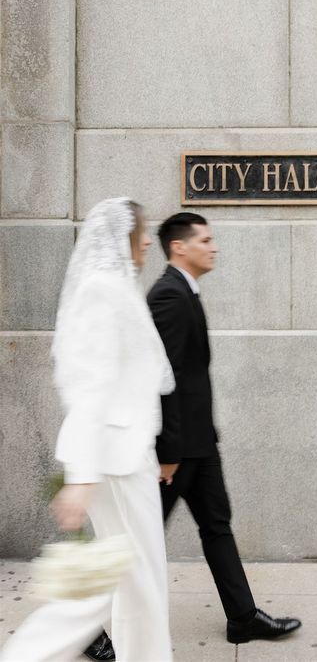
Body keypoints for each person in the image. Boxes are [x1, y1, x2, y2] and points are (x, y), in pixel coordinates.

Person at [85, 212, 301, 661]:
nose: (214, 246)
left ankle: (242, 616)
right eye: (206, 239)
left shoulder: (185, 292)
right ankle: (86, 627)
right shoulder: (168, 296)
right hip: (177, 452)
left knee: (216, 525)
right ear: (179, 247)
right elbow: (162, 380)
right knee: (132, 543)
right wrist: (169, 451)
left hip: (199, 444)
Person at [1, 198, 174, 662]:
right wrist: (80, 476)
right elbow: (90, 384)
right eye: (141, 235)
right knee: (122, 585)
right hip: (110, 458)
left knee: (131, 583)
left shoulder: (118, 286)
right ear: (122, 236)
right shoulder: (104, 289)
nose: (145, 244)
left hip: (125, 453)